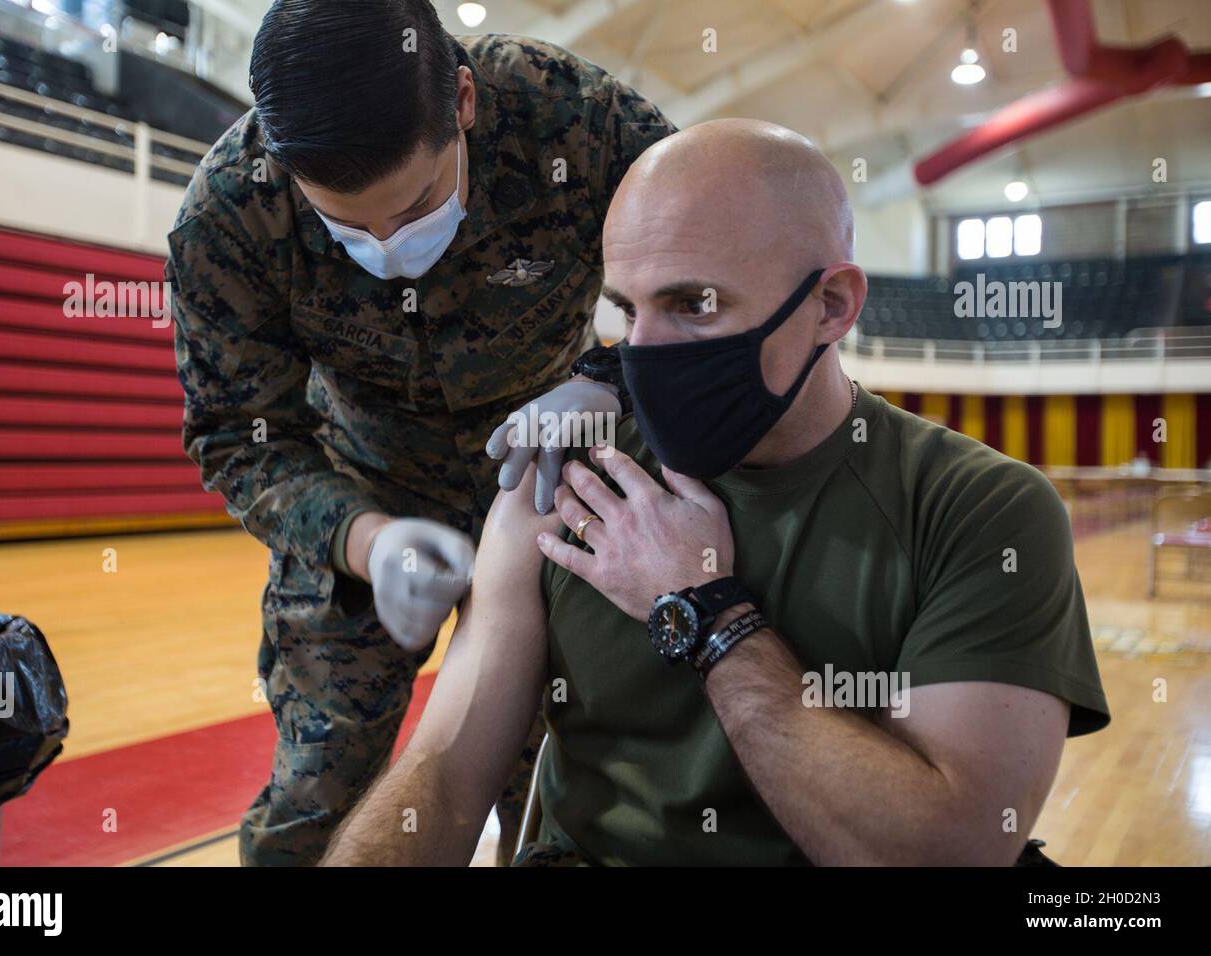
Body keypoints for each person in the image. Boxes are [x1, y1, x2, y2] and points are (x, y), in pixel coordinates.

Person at [321, 119, 1110, 866]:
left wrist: (703, 607)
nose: (642, 354)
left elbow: (945, 852)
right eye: (628, 309)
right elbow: (445, 779)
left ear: (830, 306)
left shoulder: (980, 510)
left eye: (694, 305)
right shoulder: (565, 476)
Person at [165, 0, 673, 866]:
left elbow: (705, 271)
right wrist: (366, 542)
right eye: (346, 225)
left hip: (550, 481)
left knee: (546, 784)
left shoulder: (572, 115)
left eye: (415, 205)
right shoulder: (227, 218)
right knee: (317, 791)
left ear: (465, 104)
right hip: (358, 486)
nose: (388, 244)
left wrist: (605, 380)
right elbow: (238, 435)